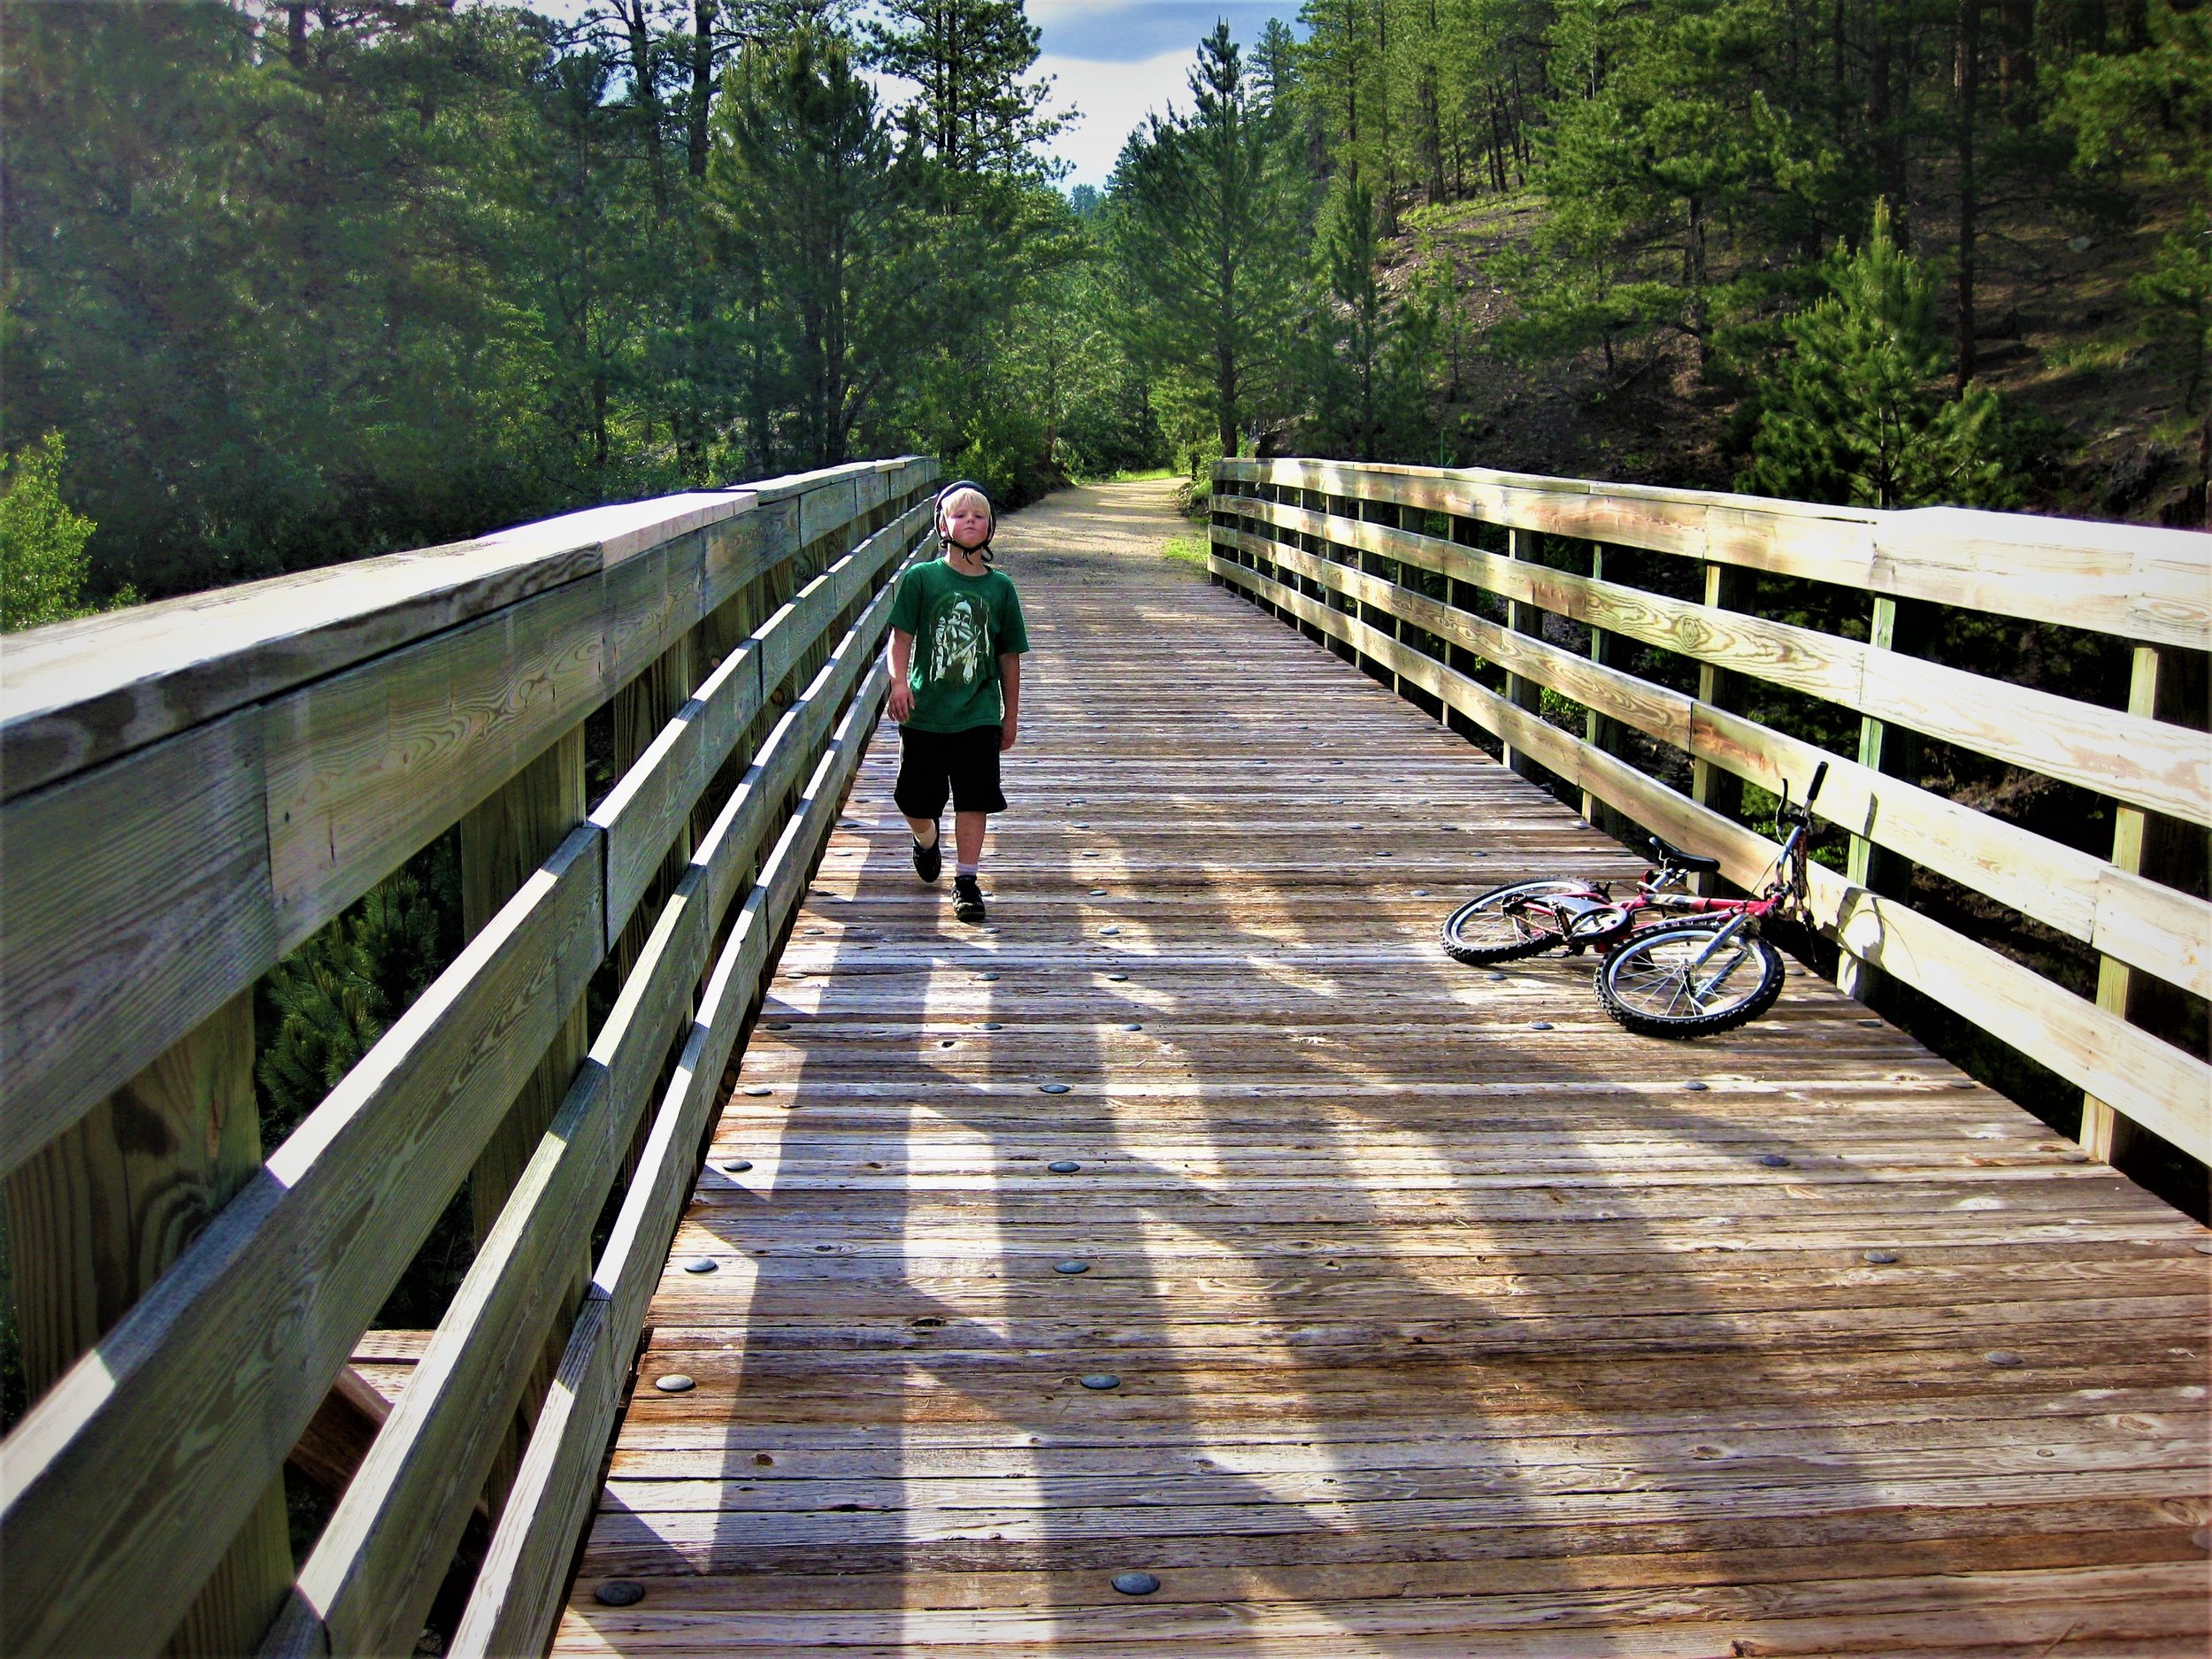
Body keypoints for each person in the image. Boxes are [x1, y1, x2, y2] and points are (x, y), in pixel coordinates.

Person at [887, 480, 1029, 924]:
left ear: (990, 527)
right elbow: (900, 638)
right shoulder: (921, 579)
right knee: (913, 801)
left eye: (980, 515)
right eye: (960, 514)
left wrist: (1010, 716)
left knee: (975, 798)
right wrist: (898, 683)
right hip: (925, 711)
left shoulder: (1001, 588)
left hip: (979, 712)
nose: (971, 521)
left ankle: (967, 881)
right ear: (942, 525)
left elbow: (1009, 657)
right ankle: (927, 841)